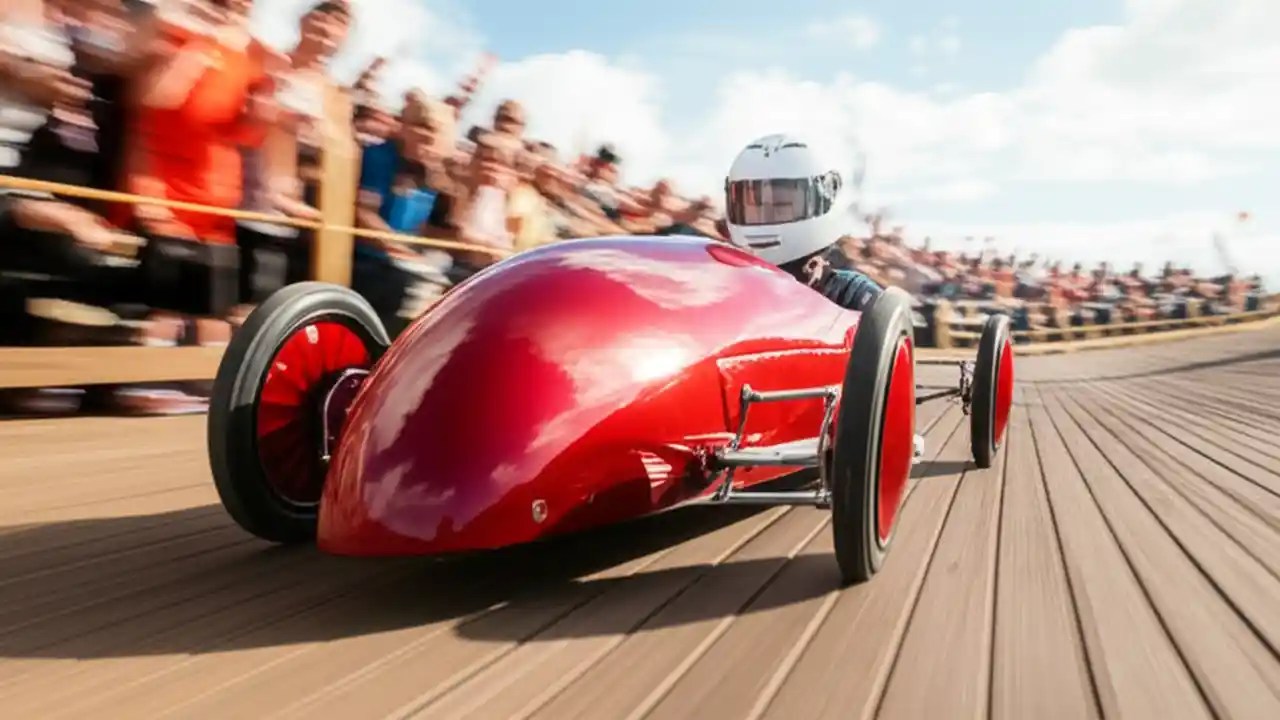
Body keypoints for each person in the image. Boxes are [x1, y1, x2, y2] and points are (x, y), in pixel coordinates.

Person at [723, 132, 924, 461]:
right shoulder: (731, 281)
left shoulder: (854, 293)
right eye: (756, 204)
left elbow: (892, 356)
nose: (768, 215)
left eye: (782, 204)